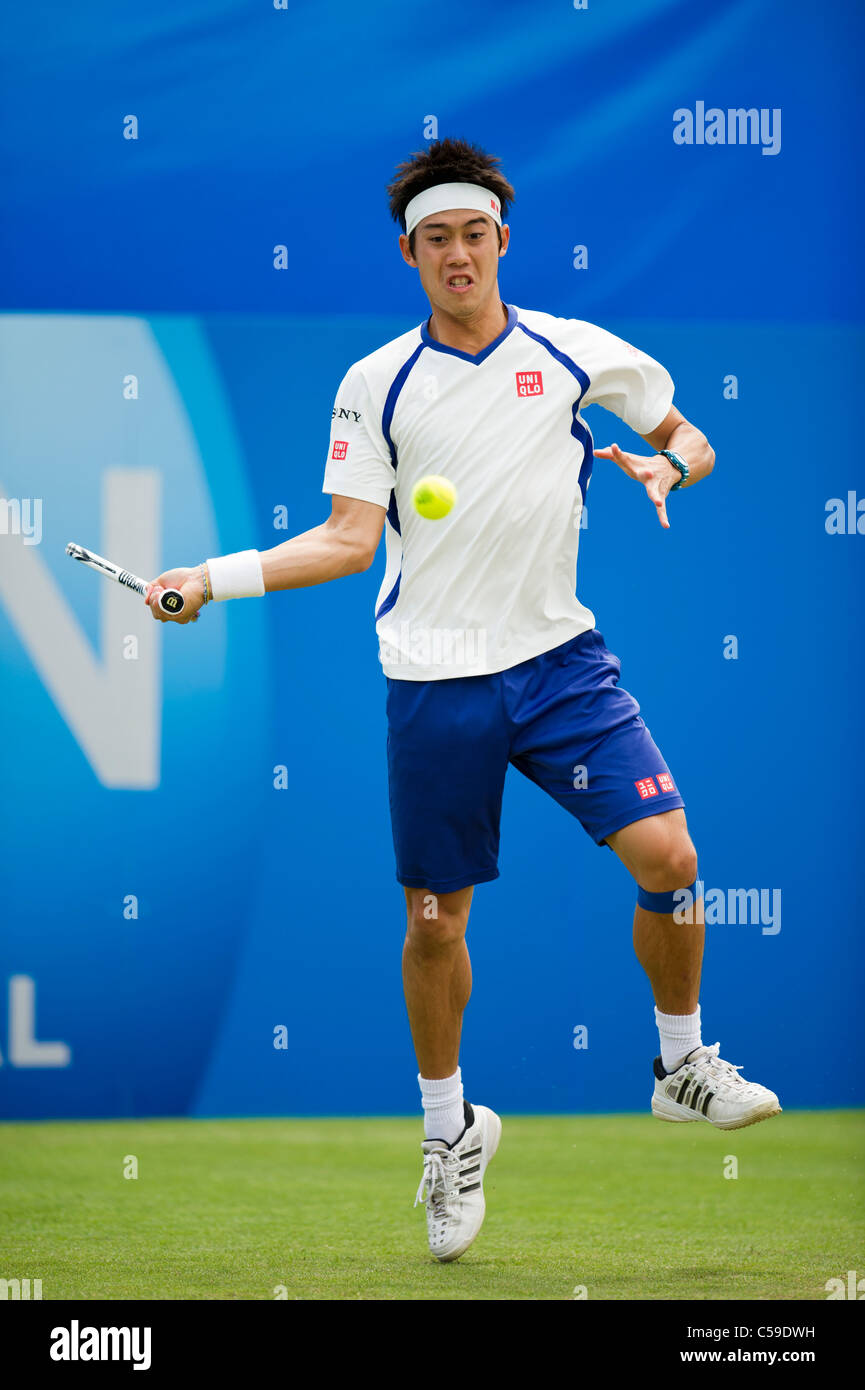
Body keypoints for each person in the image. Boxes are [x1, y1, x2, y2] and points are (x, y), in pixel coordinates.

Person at [146, 138, 781, 1265]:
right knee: (435, 924)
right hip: (434, 678)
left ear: (501, 242)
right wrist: (211, 575)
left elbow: (688, 434)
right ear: (409, 252)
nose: (456, 254)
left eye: (473, 234)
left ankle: (678, 1063)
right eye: (434, 238)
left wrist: (665, 466)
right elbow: (348, 541)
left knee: (671, 860)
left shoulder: (575, 353)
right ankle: (448, 1135)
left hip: (560, 667)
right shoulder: (376, 382)